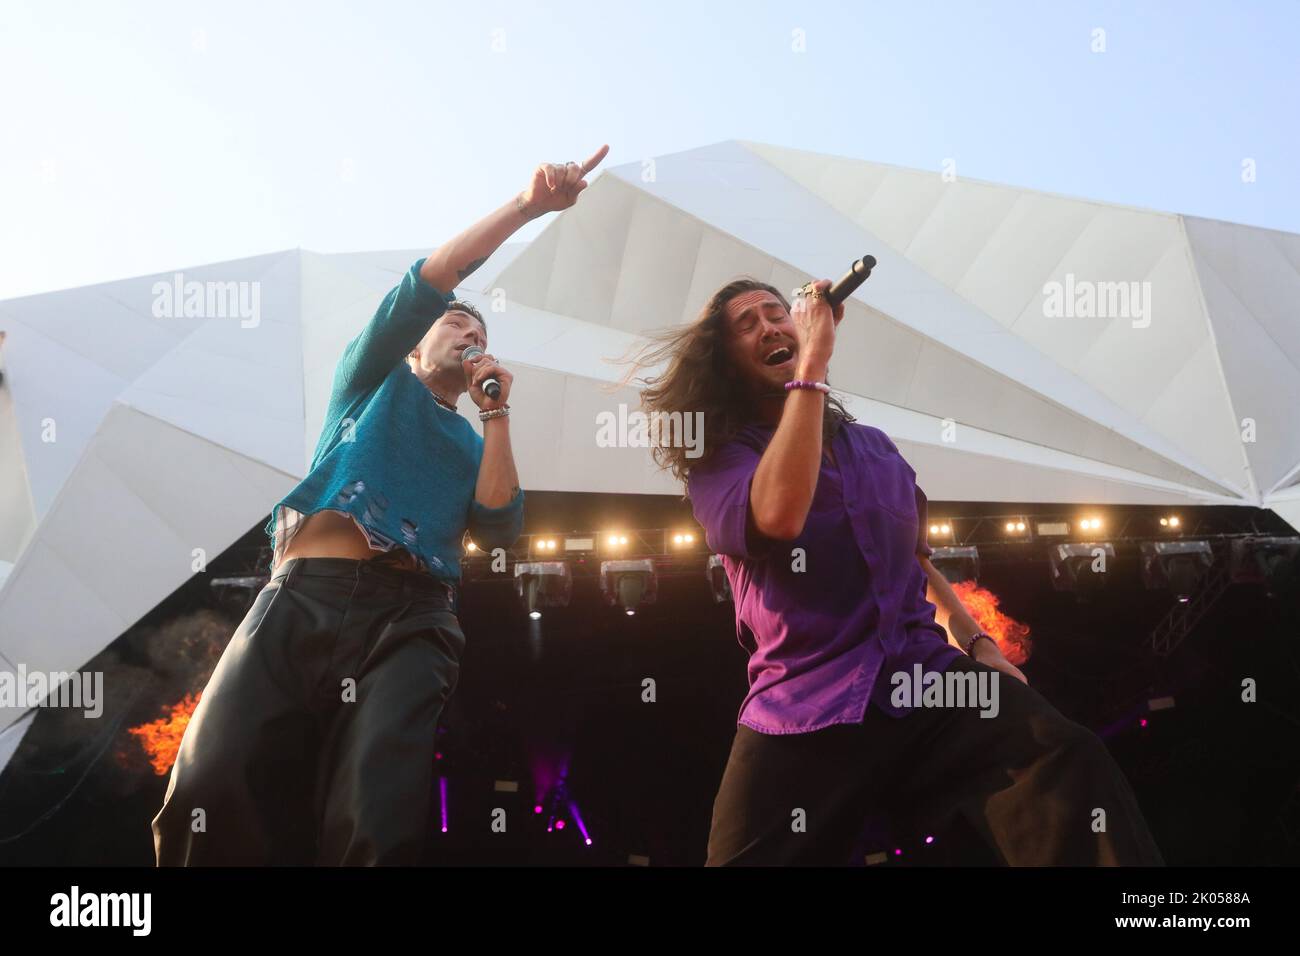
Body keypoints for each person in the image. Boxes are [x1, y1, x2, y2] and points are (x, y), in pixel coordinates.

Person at [152, 146, 609, 865]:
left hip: (411, 618)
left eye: (482, 335)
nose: (472, 335)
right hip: (305, 594)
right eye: (458, 325)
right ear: (413, 344)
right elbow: (426, 284)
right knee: (210, 783)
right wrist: (527, 208)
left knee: (378, 811)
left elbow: (497, 527)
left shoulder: (473, 438)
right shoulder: (370, 381)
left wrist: (497, 416)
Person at [630, 275, 1164, 866]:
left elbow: (914, 562)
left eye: (777, 313)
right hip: (805, 704)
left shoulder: (876, 449)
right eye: (746, 324)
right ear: (726, 361)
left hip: (925, 678)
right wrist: (812, 364)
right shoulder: (719, 459)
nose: (770, 327)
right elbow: (779, 515)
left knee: (1060, 754)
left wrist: (980, 646)